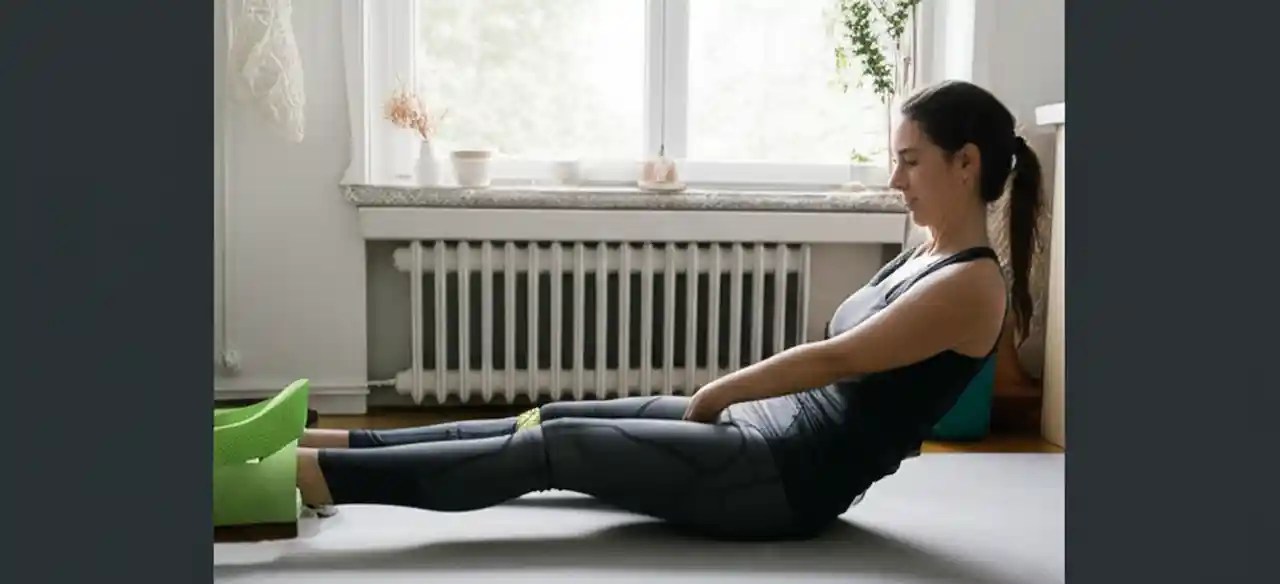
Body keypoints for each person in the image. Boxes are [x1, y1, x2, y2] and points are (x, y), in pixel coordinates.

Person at [274, 80, 1044, 541]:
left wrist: (716, 393)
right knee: (550, 415)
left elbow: (838, 359)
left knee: (554, 448)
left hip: (785, 482)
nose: (894, 179)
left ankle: (317, 477)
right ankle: (337, 441)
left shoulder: (972, 286)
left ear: (965, 163)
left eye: (909, 161)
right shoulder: (925, 250)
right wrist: (725, 403)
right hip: (765, 435)